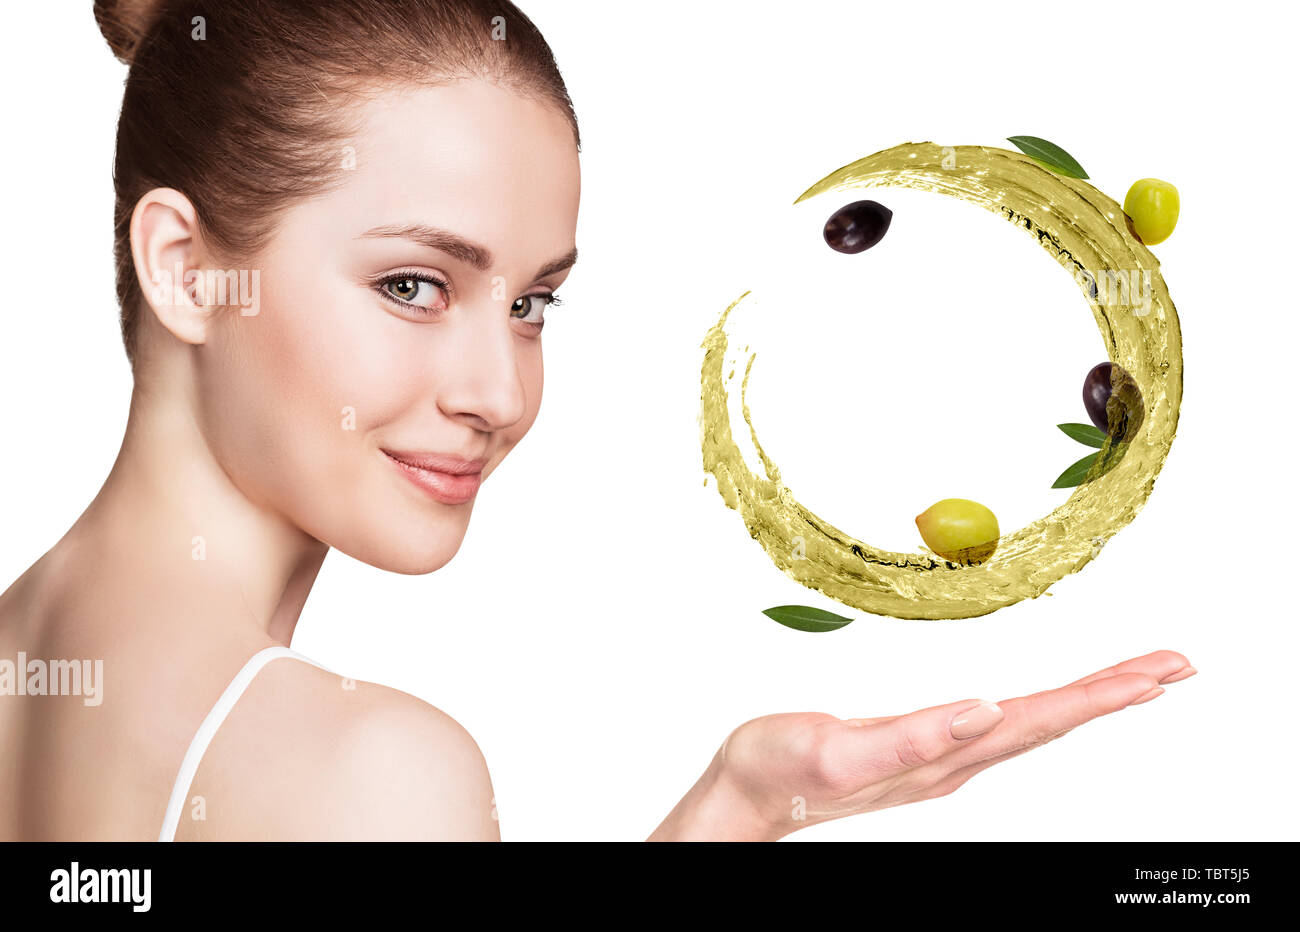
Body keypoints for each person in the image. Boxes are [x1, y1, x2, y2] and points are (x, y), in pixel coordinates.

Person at [0, 0, 1195, 841]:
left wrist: (736, 806)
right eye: (413, 284)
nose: (501, 395)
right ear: (186, 267)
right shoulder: (372, 772)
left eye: (530, 303)